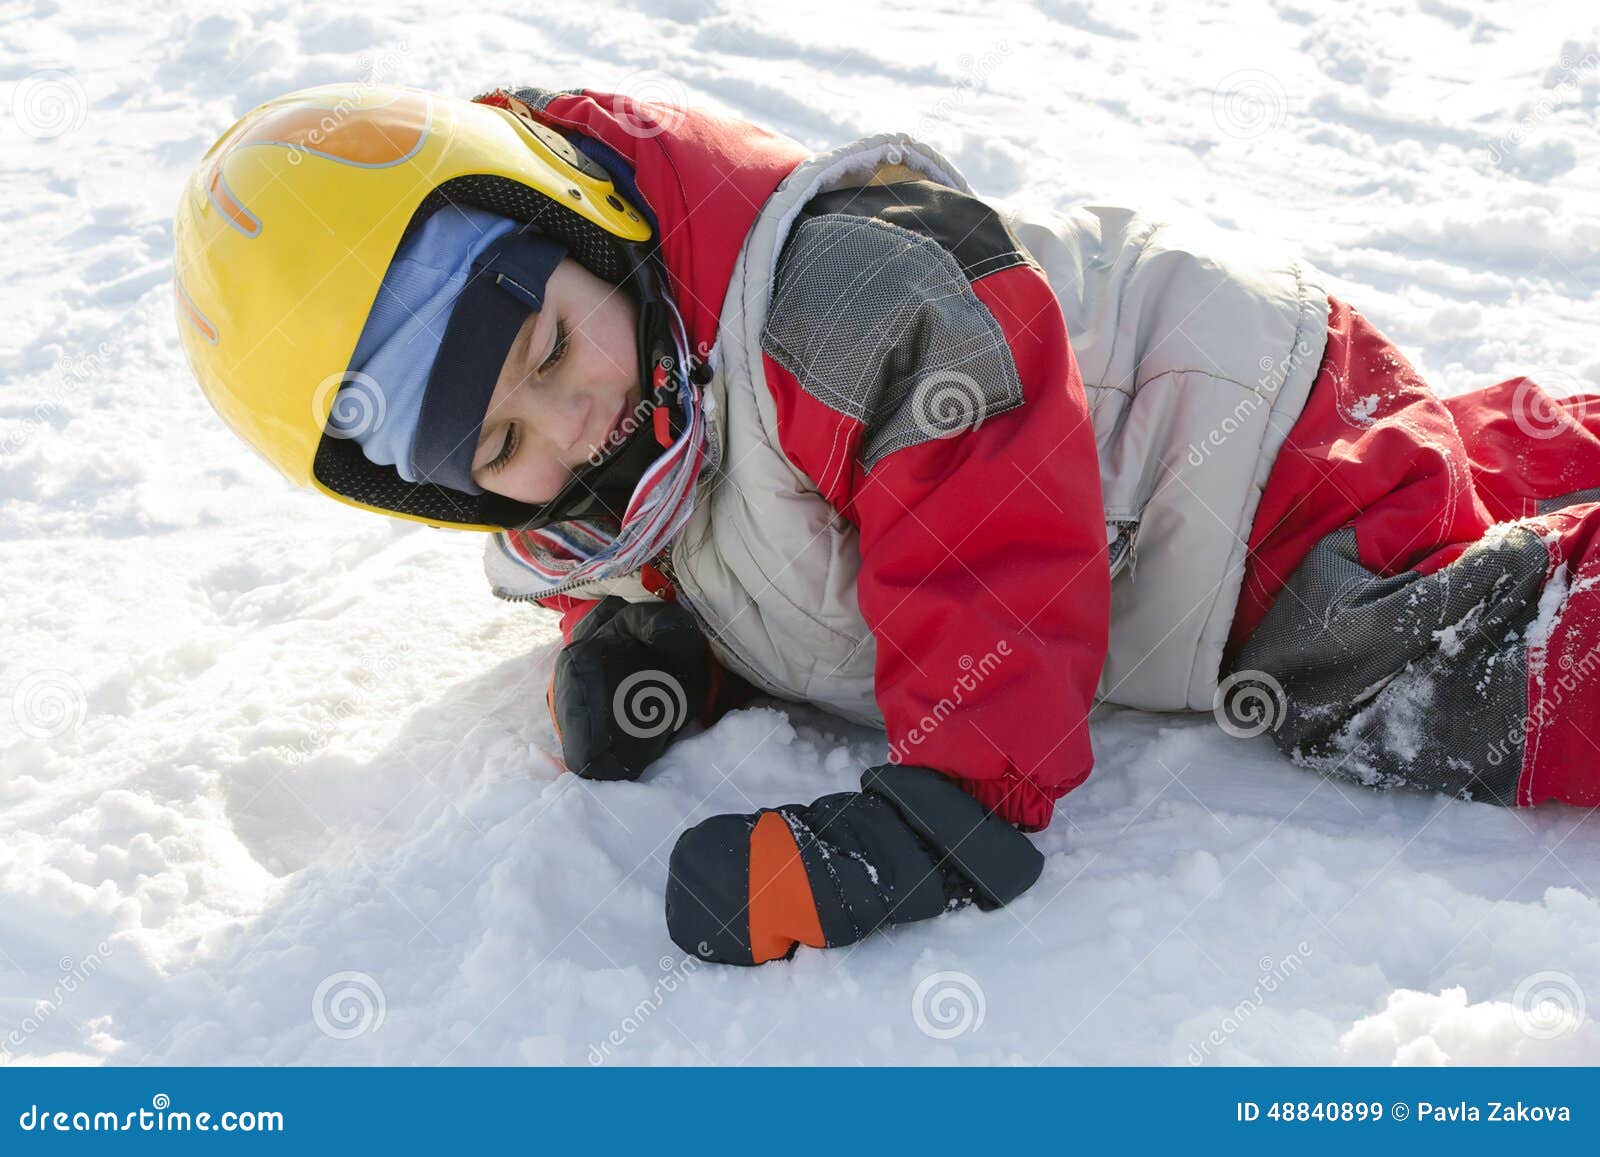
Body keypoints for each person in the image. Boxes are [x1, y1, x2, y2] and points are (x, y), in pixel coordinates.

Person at [173, 82, 1599, 968]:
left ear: (577, 219)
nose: (572, 423)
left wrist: (943, 809)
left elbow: (985, 528)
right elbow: (767, 543)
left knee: (1426, 673)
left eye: (550, 348)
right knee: (1469, 471)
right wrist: (669, 642)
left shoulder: (833, 307)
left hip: (1235, 466)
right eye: (499, 446)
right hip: (1248, 428)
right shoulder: (626, 447)